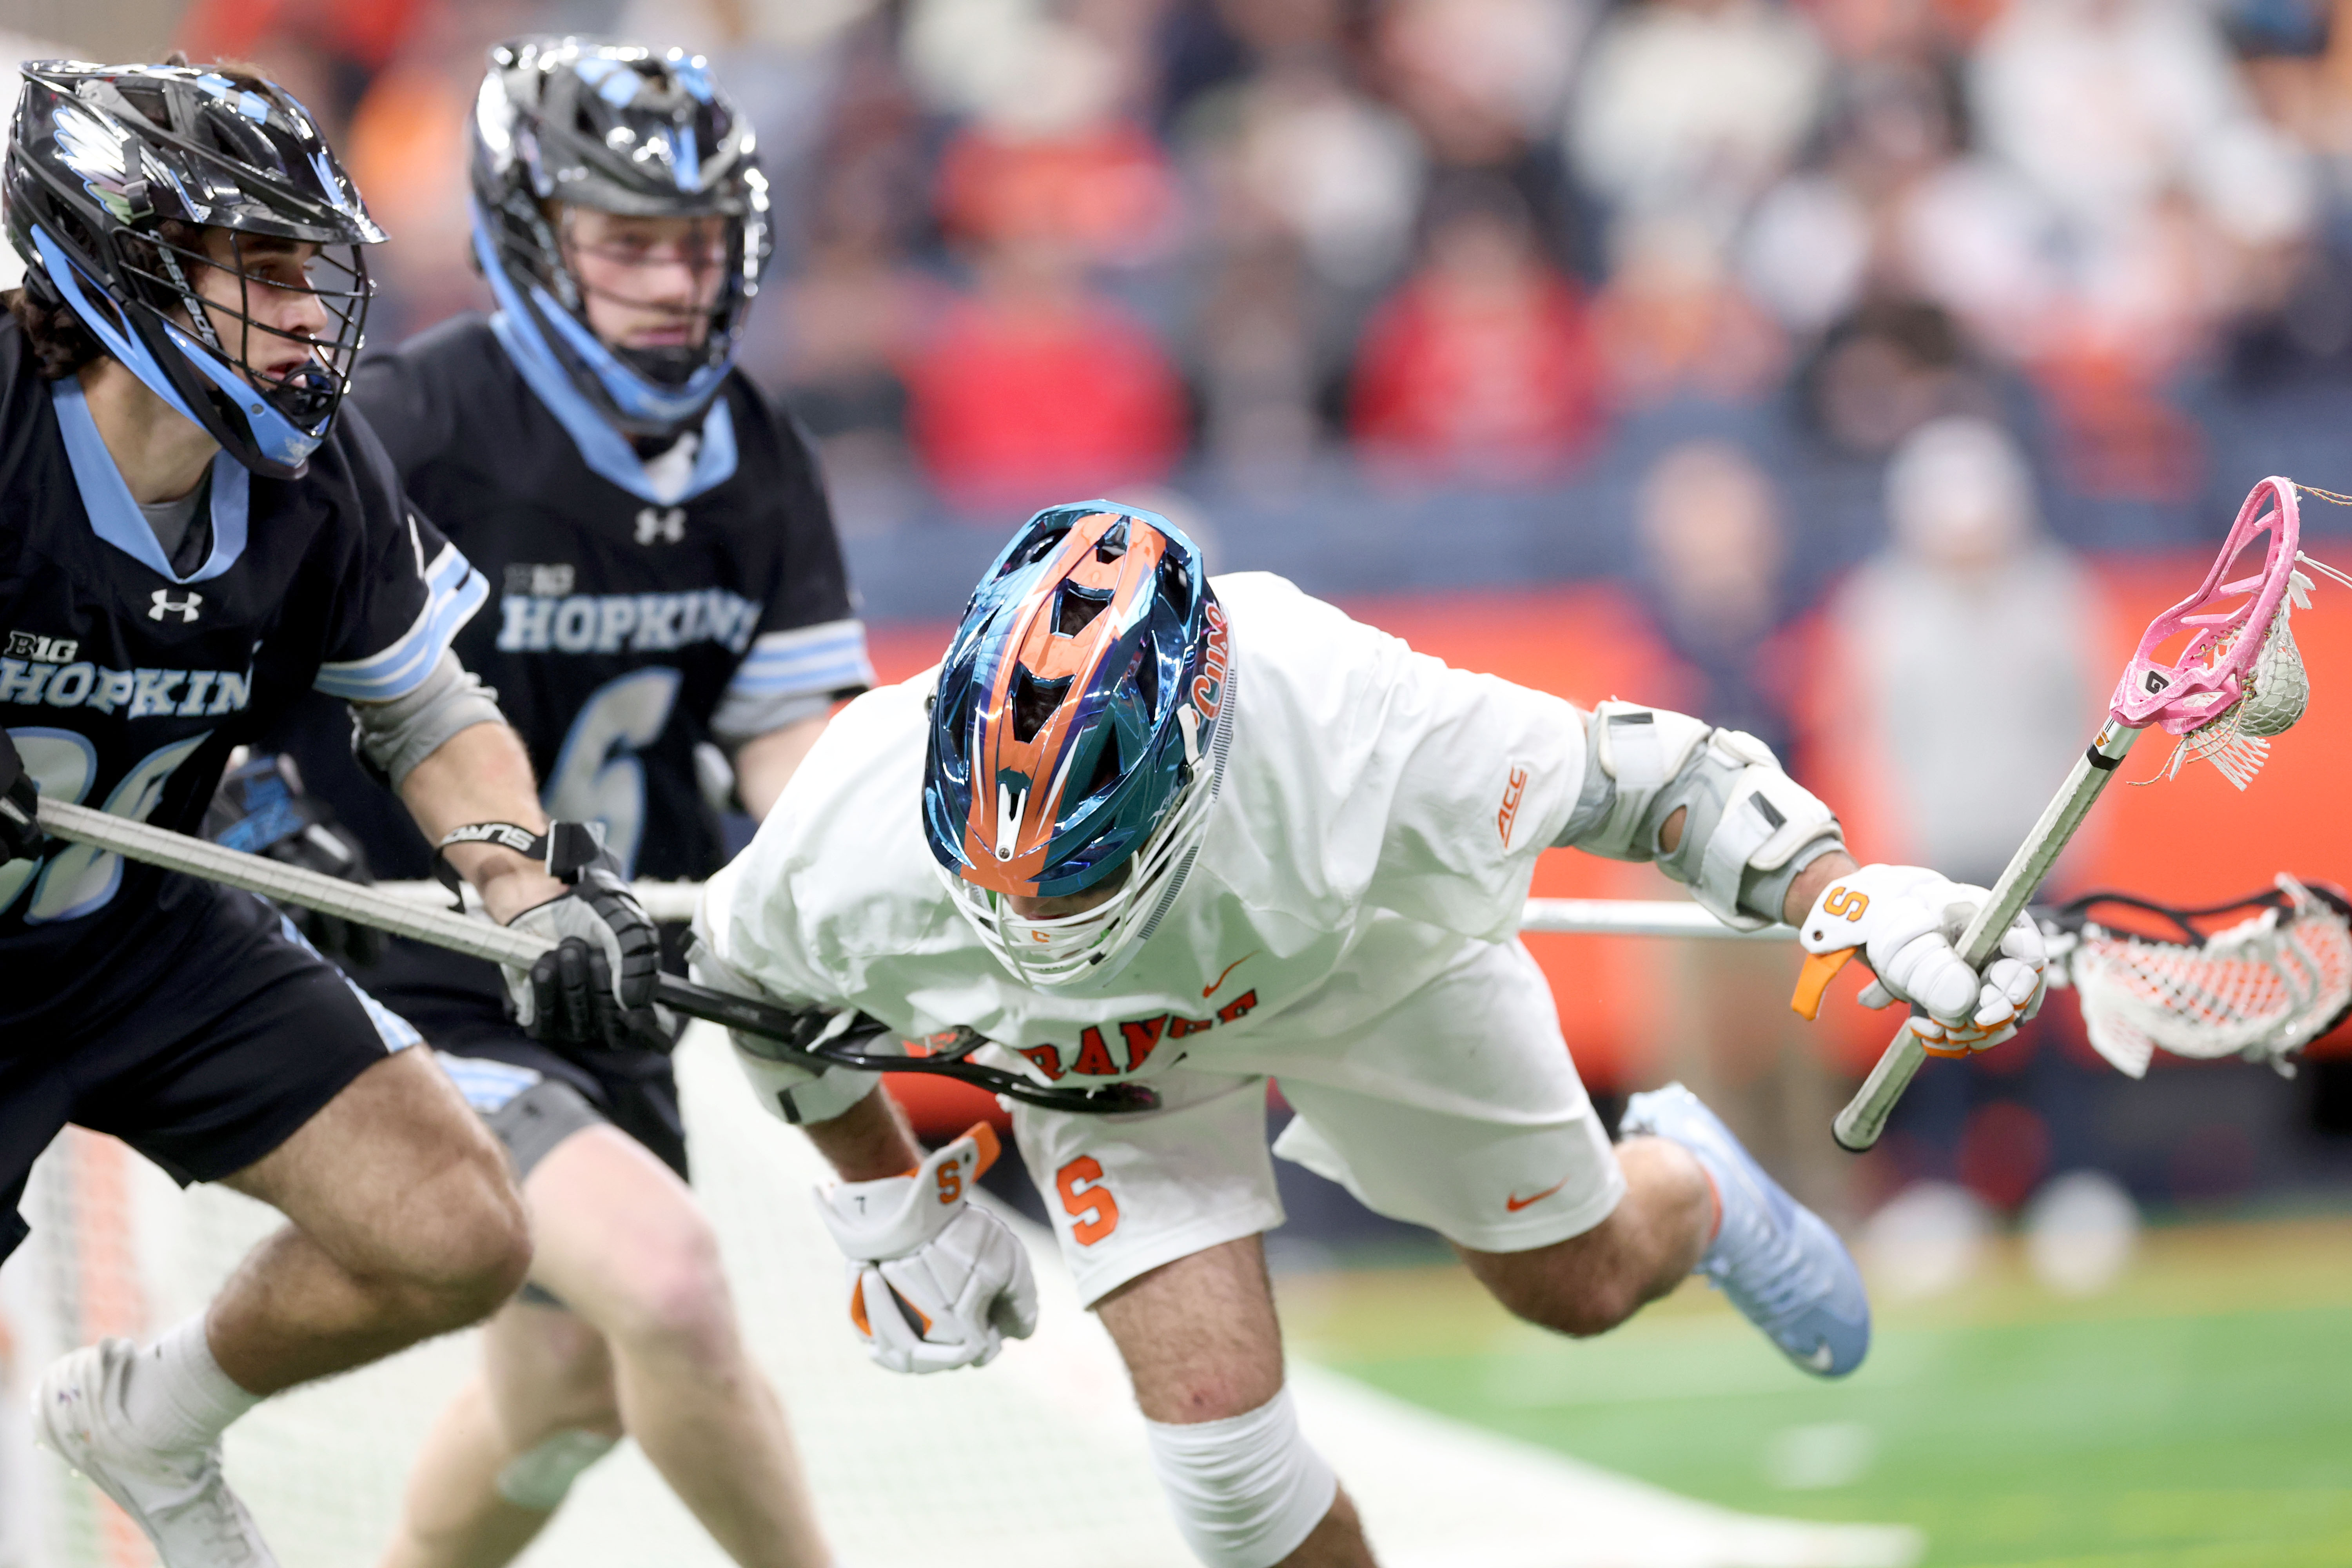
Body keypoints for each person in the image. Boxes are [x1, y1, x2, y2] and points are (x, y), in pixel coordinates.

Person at [691, 500, 2051, 1567]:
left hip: (1362, 966)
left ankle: (1689, 1192)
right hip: (1110, 1075)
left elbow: (1657, 781)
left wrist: (1851, 896)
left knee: (1574, 1286)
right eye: (997, 878)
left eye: (1078, 876)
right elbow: (763, 1005)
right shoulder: (846, 824)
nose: (1028, 920)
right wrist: (895, 1203)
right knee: (1223, 1473)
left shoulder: (1342, 713)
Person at [0, 58, 664, 1568]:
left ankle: (152, 1418)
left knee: (458, 1232)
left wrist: (530, 892)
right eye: (267, 270)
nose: (311, 313)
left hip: (138, 943)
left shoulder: (313, 470)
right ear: (123, 255)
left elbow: (428, 710)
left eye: (313, 272)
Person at [252, 38, 867, 1568]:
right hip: (412, 961)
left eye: (698, 245)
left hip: (609, 978)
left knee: (569, 1395)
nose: (673, 282)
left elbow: (786, 743)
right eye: (627, 243)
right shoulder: (409, 425)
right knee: (668, 1282)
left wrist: (863, 889)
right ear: (531, 237)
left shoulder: (759, 454)